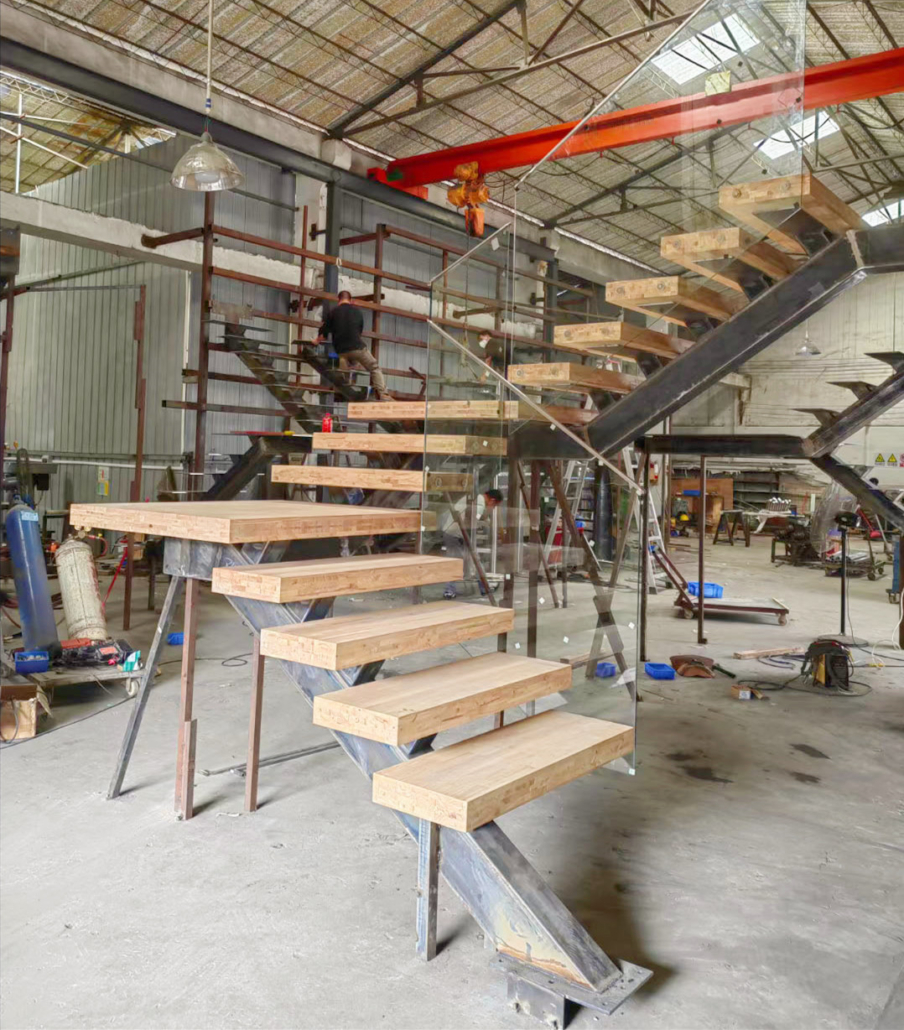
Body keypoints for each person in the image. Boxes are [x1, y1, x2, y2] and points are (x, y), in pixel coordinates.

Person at [316, 291, 391, 399]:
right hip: (357, 348)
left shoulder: (333, 313)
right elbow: (359, 332)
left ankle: (346, 382)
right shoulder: (358, 312)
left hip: (341, 352)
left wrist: (315, 341)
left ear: (339, 300)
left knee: (343, 373)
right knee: (374, 368)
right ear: (350, 300)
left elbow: (323, 335)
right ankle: (383, 394)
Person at [441, 488, 503, 599]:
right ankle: (449, 590)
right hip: (456, 534)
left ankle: (484, 587)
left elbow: (480, 517)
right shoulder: (479, 503)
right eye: (494, 506)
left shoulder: (477, 499)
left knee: (472, 560)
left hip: (455, 532)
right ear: (492, 501)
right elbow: (473, 521)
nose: (493, 508)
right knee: (458, 561)